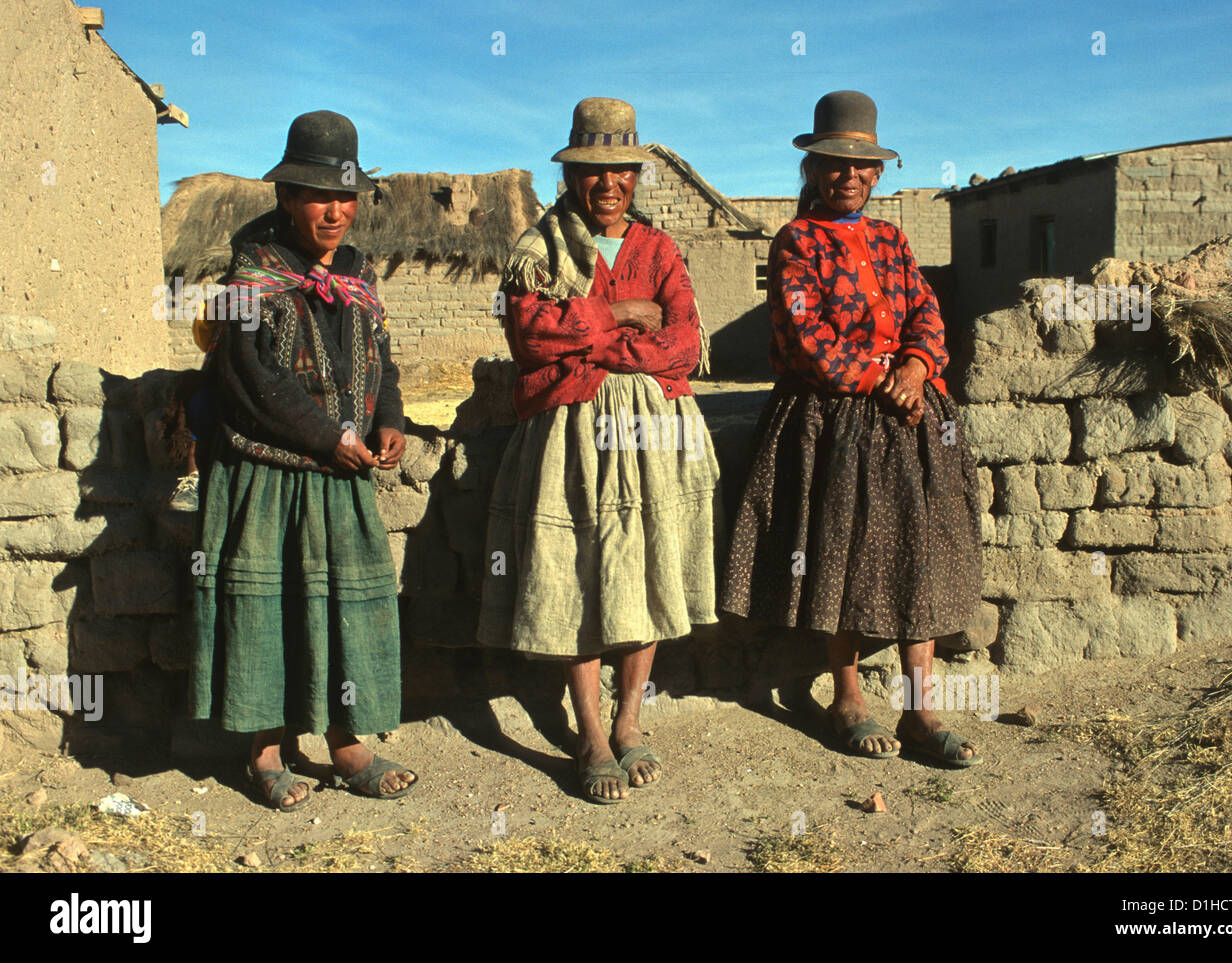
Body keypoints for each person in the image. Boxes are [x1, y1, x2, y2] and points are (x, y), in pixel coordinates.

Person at [720, 91, 985, 767]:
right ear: (811, 168)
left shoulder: (893, 240)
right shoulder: (795, 244)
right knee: (842, 549)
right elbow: (806, 336)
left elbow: (928, 310)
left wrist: (919, 367)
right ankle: (847, 699)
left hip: (910, 417)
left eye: (862, 164)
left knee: (916, 556)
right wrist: (879, 380)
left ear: (877, 173)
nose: (849, 175)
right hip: (832, 421)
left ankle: (921, 712)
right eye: (834, 162)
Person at [477, 97, 720, 803]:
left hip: (654, 436)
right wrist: (619, 316)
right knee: (576, 574)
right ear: (571, 175)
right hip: (571, 432)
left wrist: (593, 335)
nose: (608, 183)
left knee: (646, 564)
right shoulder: (540, 248)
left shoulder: (658, 249)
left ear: (636, 175)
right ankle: (588, 732)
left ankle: (631, 719)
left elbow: (683, 341)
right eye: (592, 170)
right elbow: (530, 336)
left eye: (621, 169)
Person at [189, 110, 417, 809]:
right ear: (286, 196)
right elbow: (254, 378)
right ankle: (261, 751)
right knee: (266, 609)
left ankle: (346, 745)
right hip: (266, 472)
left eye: (346, 197)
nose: (335, 210)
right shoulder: (252, 275)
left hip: (342, 474)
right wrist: (327, 437)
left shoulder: (358, 275)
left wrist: (387, 418)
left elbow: (380, 359)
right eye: (319, 196)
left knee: (349, 609)